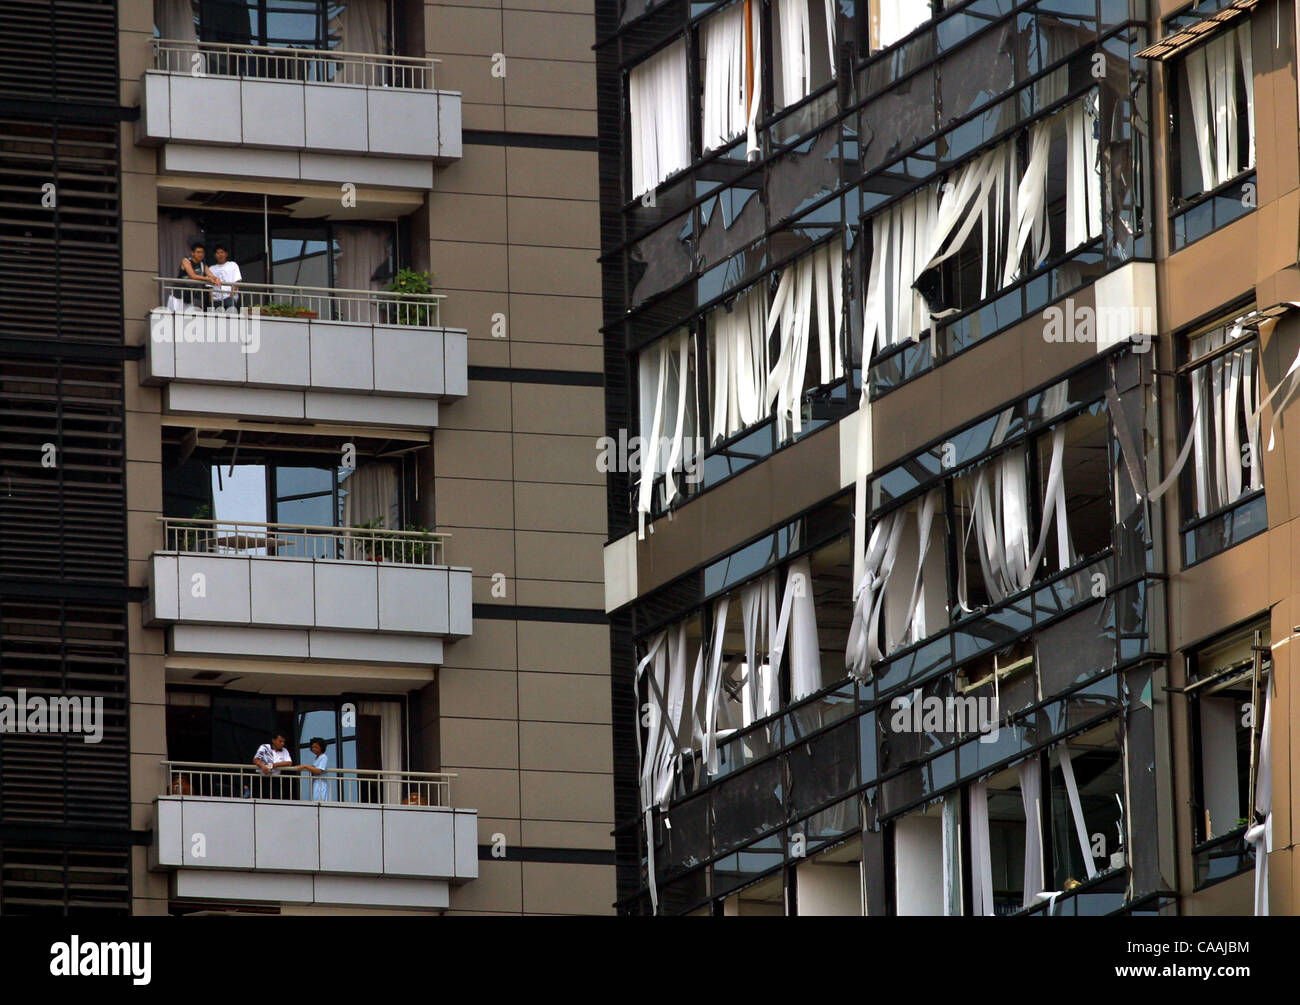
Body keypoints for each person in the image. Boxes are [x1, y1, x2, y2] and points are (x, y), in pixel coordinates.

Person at [176, 240, 218, 310]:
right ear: (192, 253)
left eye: (202, 252)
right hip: (178, 295)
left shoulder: (203, 264)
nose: (200, 254)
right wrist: (208, 279)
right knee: (176, 317)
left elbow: (211, 275)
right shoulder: (186, 261)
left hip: (189, 297)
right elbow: (192, 275)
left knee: (187, 318)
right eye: (198, 252)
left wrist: (216, 279)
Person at [252, 731, 295, 799]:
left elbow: (289, 762)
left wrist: (274, 765)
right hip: (261, 778)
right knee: (259, 799)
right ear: (273, 740)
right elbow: (256, 759)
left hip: (275, 779)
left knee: (274, 799)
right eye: (280, 741)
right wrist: (263, 766)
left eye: (283, 742)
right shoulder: (265, 747)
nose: (282, 744)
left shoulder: (284, 750)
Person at [208, 243, 242, 312]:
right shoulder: (211, 268)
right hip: (216, 299)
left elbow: (237, 281)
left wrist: (231, 296)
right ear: (215, 255)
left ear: (226, 254)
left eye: (222, 252)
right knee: (216, 321)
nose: (220, 255)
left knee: (231, 319)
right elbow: (210, 287)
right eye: (218, 253)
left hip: (229, 298)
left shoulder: (232, 265)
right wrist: (211, 301)